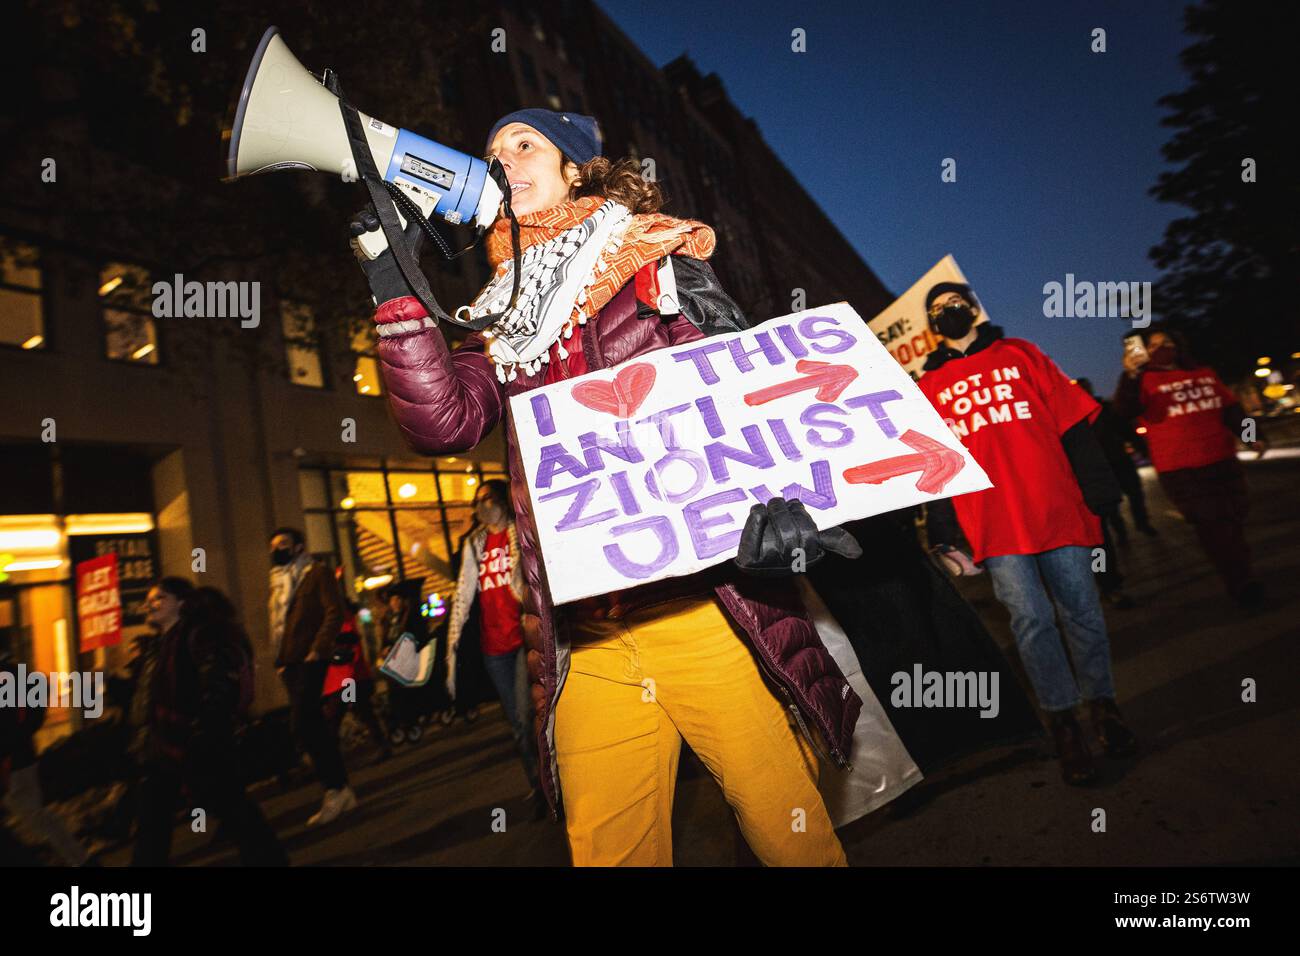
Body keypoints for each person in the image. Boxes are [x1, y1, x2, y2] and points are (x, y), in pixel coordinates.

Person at [349, 107, 860, 865]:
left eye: (524, 144)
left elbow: (739, 389)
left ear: (577, 168)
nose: (503, 160)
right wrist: (396, 288)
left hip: (699, 612)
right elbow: (443, 423)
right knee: (608, 852)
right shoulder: (504, 318)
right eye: (492, 153)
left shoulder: (654, 261)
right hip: (587, 641)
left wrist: (784, 499)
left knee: (787, 830)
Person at [918, 283, 1137, 785]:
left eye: (952, 304)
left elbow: (1072, 424)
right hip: (992, 523)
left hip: (1057, 507)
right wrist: (944, 527)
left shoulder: (1021, 353)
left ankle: (1105, 709)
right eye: (936, 311)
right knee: (1031, 621)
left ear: (973, 308)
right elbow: (937, 464)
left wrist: (1099, 487)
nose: (945, 313)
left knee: (1081, 610)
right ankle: (1064, 723)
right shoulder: (928, 386)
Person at [133, 580, 286, 866]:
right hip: (163, 742)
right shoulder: (159, 645)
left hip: (195, 741)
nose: (150, 604)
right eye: (148, 599)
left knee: (232, 807)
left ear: (181, 603)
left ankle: (270, 859)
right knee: (152, 820)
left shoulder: (199, 636)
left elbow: (219, 683)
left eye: (159, 598)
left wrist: (203, 729)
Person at [1112, 327, 1264, 609]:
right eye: (1154, 345)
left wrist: (1253, 436)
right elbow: (1124, 411)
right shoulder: (1142, 380)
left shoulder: (1204, 373)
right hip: (1181, 470)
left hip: (1222, 460)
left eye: (1167, 342)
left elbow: (1233, 411)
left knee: (1233, 520)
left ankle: (1240, 570)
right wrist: (1131, 375)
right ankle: (1242, 584)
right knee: (1213, 526)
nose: (1162, 348)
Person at [446, 478, 542, 815]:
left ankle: (550, 782)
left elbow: (527, 583)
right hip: (493, 646)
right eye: (477, 500)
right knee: (517, 724)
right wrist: (452, 648)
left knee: (527, 714)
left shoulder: (521, 531)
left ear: (502, 499)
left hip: (521, 638)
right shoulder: (474, 544)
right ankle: (538, 784)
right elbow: (462, 595)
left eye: (487, 498)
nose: (482, 505)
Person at [268, 527, 355, 825]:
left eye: (283, 544)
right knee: (314, 725)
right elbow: (279, 625)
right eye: (274, 546)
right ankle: (341, 789)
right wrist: (280, 661)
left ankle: (333, 788)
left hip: (309, 659)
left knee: (303, 723)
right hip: (289, 662)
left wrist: (318, 649)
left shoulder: (317, 573)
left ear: (299, 546)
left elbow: (335, 612)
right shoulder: (279, 581)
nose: (277, 550)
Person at [0, 633, 93, 866]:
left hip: (11, 763)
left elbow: (14, 722)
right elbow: (32, 718)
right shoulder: (22, 676)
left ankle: (77, 859)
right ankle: (78, 859)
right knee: (36, 817)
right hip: (20, 758)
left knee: (35, 817)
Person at [1075, 377, 1157, 543]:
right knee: (1111, 503)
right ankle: (1121, 532)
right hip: (1099, 466)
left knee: (1135, 493)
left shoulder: (1105, 408)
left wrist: (1141, 447)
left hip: (1119, 459)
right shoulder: (1074, 416)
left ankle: (1142, 523)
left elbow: (1125, 429)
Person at [322, 600, 392, 762]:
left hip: (347, 680)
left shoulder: (342, 621)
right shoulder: (344, 619)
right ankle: (381, 744)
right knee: (361, 712)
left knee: (336, 716)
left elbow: (351, 652)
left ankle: (330, 758)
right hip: (348, 679)